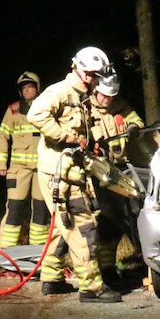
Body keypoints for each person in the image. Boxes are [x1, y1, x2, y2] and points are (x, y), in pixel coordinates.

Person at [25, 46, 121, 303]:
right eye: (96, 77)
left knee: (63, 226)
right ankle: (92, 287)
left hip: (72, 170)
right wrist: (64, 137)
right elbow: (35, 114)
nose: (98, 83)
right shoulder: (60, 91)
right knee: (83, 227)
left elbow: (85, 128)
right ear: (85, 74)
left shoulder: (82, 96)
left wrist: (92, 144)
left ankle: (51, 278)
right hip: (60, 174)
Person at [82, 73, 145, 289]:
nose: (107, 100)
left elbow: (136, 120)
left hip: (120, 169)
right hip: (98, 172)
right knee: (107, 220)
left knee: (127, 217)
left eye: (111, 96)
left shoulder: (120, 105)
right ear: (95, 91)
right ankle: (106, 271)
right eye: (104, 95)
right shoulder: (86, 108)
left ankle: (121, 267)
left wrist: (133, 128)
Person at [0, 71, 50, 249]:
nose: (27, 91)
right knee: (14, 208)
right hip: (19, 169)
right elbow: (2, 135)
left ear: (37, 88)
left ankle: (39, 250)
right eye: (24, 88)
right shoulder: (13, 110)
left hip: (42, 168)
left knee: (41, 210)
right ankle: (5, 250)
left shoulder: (46, 108)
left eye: (30, 87)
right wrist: (0, 163)